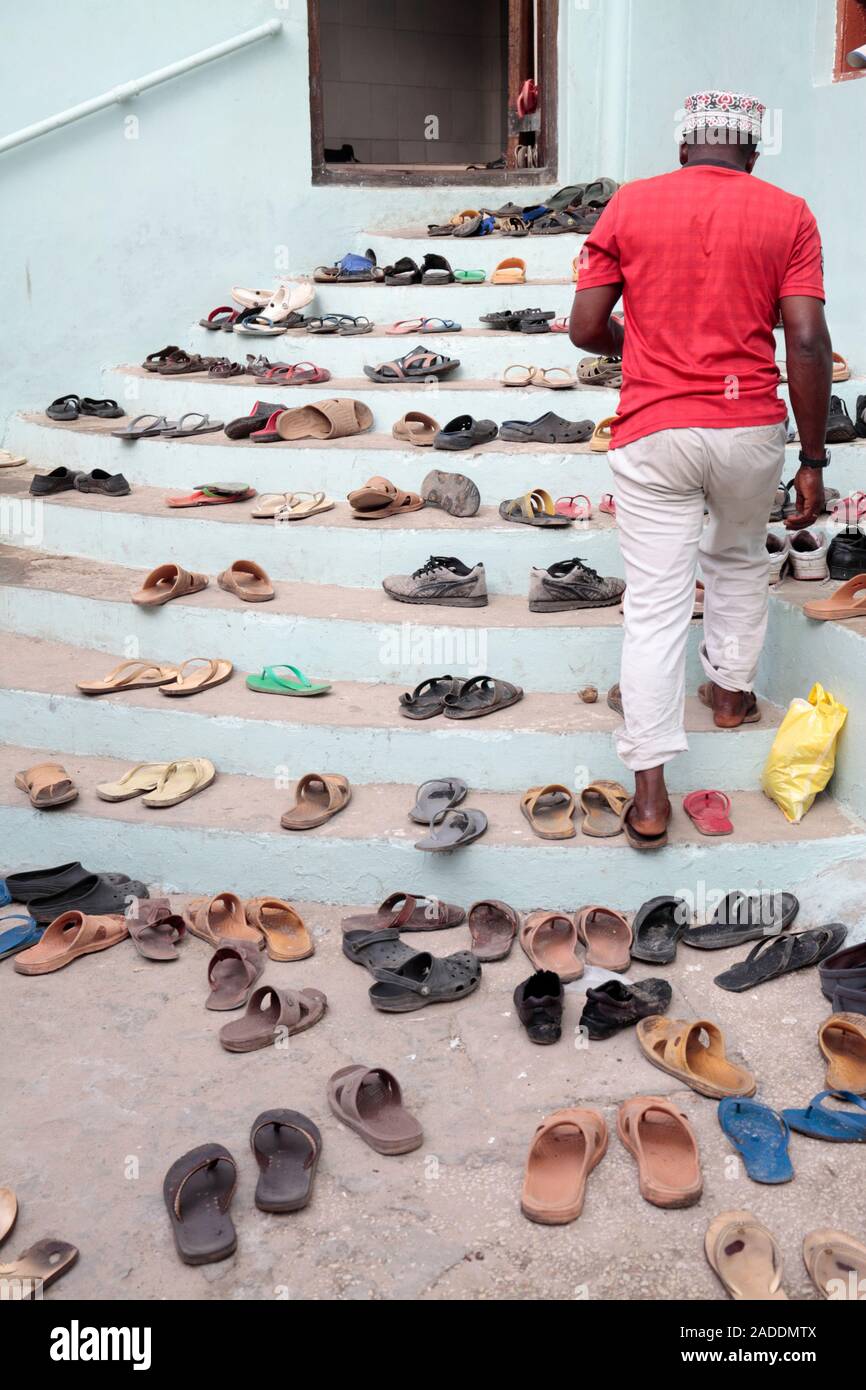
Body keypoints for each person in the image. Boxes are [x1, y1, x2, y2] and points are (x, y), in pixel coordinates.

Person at [569, 90, 832, 848]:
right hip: (748, 424)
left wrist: (645, 346)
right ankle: (728, 695)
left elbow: (587, 328)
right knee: (740, 559)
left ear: (684, 148)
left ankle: (649, 796)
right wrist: (812, 459)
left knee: (654, 605)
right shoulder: (789, 213)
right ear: (752, 152)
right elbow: (808, 342)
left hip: (653, 427)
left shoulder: (629, 207)